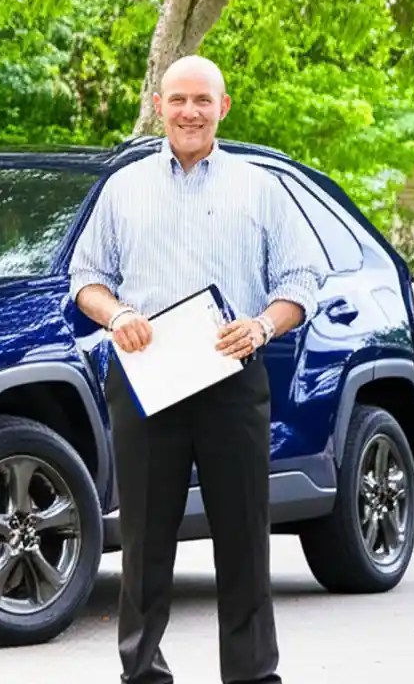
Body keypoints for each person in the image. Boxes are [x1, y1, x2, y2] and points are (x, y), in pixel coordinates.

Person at [68, 55, 328, 684]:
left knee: (242, 538)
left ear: (223, 107)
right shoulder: (123, 188)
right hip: (146, 378)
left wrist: (264, 325)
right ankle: (143, 672)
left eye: (202, 101)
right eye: (178, 99)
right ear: (160, 105)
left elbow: (302, 280)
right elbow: (86, 279)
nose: (190, 111)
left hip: (231, 379)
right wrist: (116, 314)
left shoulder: (259, 188)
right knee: (145, 543)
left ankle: (251, 674)